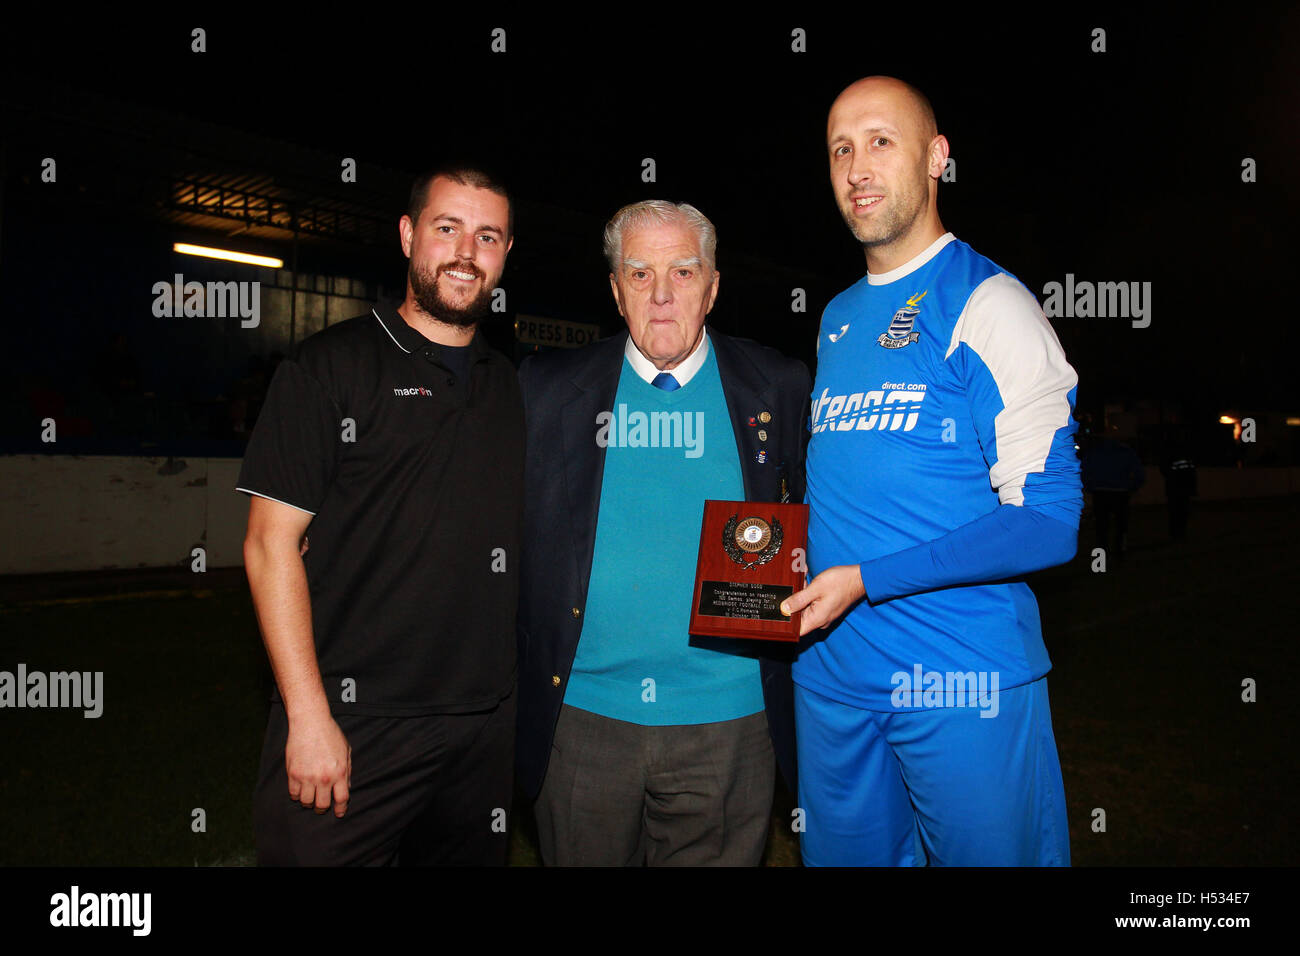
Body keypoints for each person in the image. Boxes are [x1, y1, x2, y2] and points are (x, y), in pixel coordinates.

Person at [780, 77, 1082, 866]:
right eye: (841, 149)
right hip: (833, 680)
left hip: (960, 683)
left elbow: (1049, 521)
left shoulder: (990, 303)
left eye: (881, 141)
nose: (857, 167)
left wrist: (866, 578)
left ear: (937, 157)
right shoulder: (838, 315)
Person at [237, 164, 523, 865]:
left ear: (506, 254)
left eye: (487, 236)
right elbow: (270, 547)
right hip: (351, 724)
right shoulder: (328, 368)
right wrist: (307, 718)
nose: (465, 251)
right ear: (407, 235)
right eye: (447, 227)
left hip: (481, 732)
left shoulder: (513, 390)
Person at [515, 200, 810, 865]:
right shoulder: (545, 389)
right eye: (640, 273)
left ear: (712, 286)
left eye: (683, 271)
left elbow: (838, 515)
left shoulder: (779, 387)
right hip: (584, 722)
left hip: (728, 722)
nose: (663, 294)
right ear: (616, 291)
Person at [1081, 436, 1146, 559]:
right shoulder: (1125, 451)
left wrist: (1090, 486)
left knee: (1102, 527)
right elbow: (1139, 472)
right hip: (1120, 492)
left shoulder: (1095, 452)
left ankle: (1100, 558)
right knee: (1121, 526)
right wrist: (1132, 487)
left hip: (1100, 492)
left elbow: (1084, 471)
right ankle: (1119, 553)